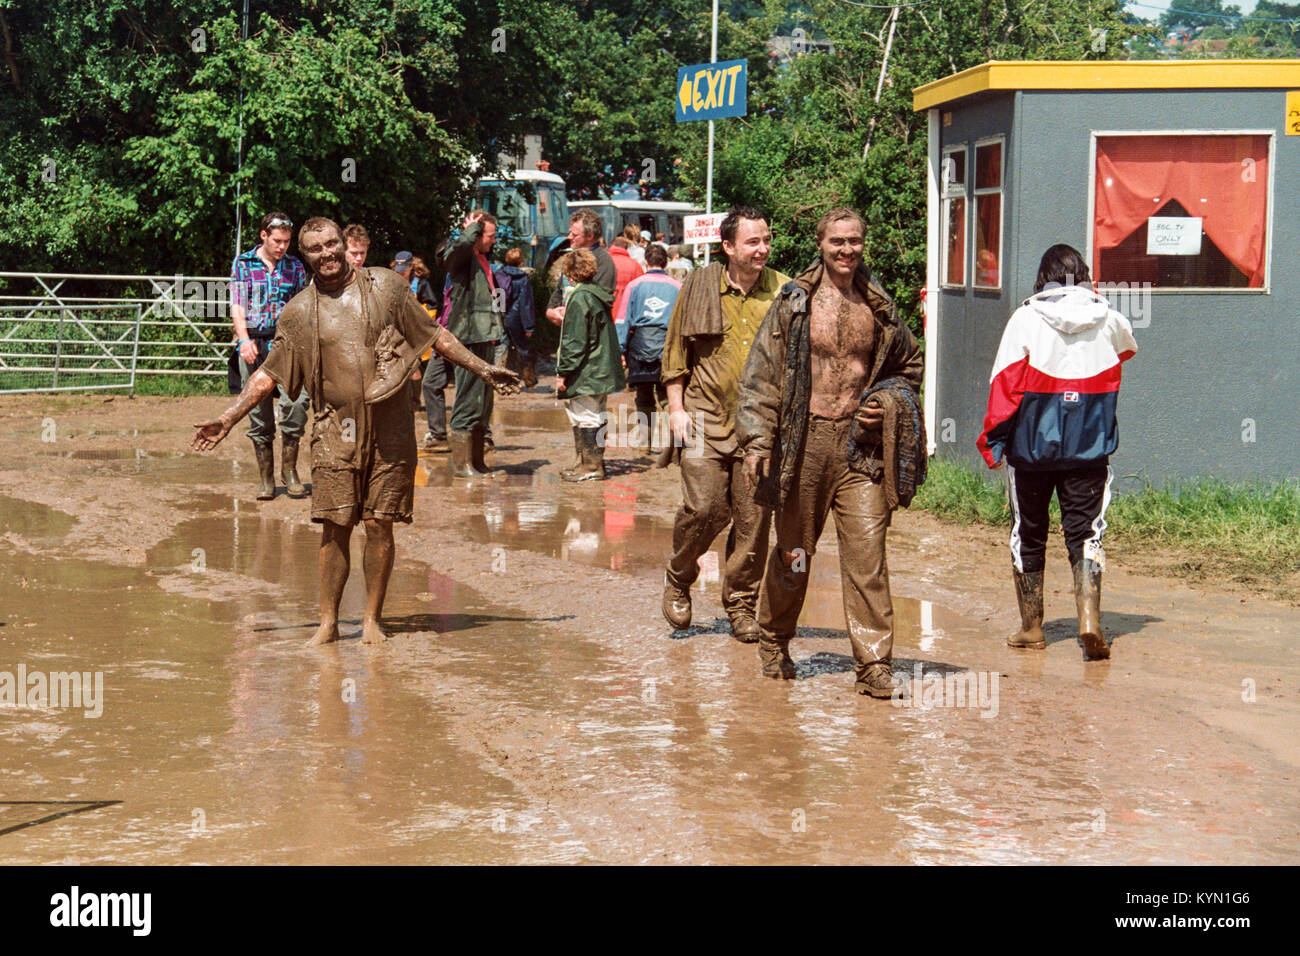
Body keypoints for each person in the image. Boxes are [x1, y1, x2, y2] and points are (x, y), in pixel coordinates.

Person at [192, 218, 520, 646]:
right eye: (314, 249)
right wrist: (229, 416)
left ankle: (370, 620)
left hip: (391, 428)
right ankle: (328, 621)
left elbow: (434, 335)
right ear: (304, 256)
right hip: (333, 431)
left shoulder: (385, 287)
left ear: (343, 245)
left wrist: (484, 368)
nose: (326, 254)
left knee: (381, 523)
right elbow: (269, 374)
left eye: (331, 244)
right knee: (335, 526)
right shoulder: (299, 312)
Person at [736, 207, 922, 696]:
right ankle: (775, 639)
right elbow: (760, 374)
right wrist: (758, 439)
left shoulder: (878, 305)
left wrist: (884, 403)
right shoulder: (794, 302)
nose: (846, 250)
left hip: (859, 452)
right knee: (796, 554)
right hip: (803, 445)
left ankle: (874, 665)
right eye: (837, 241)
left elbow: (910, 366)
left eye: (854, 241)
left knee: (867, 556)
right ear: (820, 243)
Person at [977, 243, 1137, 662]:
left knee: (1027, 532)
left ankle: (1032, 628)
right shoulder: (1109, 317)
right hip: (1089, 449)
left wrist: (992, 440)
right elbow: (1127, 350)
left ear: (1041, 277)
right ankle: (1089, 620)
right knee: (1085, 532)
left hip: (1030, 449)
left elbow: (1004, 387)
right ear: (1083, 274)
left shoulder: (1025, 318)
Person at [659, 206, 790, 643]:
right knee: (706, 508)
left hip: (763, 427)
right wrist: (675, 410)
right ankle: (679, 577)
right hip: (703, 416)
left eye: (767, 240)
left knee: (754, 522)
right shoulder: (698, 287)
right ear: (728, 247)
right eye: (753, 242)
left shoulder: (784, 292)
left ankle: (740, 604)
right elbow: (676, 351)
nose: (763, 249)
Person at [229, 211, 311, 501]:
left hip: (288, 347)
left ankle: (289, 472)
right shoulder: (243, 263)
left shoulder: (296, 267)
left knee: (296, 404)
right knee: (258, 411)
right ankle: (265, 478)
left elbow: (303, 308)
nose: (282, 247)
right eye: (277, 241)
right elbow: (238, 304)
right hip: (255, 343)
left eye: (287, 241)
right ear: (263, 236)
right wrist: (244, 340)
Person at [441, 211, 506, 477]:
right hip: (469, 338)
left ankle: (477, 462)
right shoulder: (461, 258)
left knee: (483, 403)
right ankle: (461, 466)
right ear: (476, 236)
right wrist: (469, 231)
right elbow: (454, 253)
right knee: (467, 400)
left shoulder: (484, 260)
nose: (493, 241)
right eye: (489, 236)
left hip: (486, 337)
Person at [555, 249, 625, 482]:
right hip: (600, 368)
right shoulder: (596, 294)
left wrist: (562, 372)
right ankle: (584, 463)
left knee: (586, 416)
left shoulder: (580, 297)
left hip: (588, 369)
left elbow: (575, 341)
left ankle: (591, 467)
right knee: (592, 415)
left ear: (568, 272)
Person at [616, 242, 680, 456]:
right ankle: (676, 449)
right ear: (667, 262)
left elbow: (623, 319)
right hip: (668, 348)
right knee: (669, 398)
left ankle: (644, 444)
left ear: (645, 262)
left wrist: (620, 349)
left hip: (639, 347)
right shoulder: (677, 287)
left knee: (643, 397)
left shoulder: (635, 286)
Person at [545, 209, 615, 327]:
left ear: (590, 236)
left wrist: (566, 313)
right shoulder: (571, 258)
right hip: (567, 333)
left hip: (590, 337)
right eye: (570, 232)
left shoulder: (604, 261)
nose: (569, 237)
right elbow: (559, 291)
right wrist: (551, 311)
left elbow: (598, 301)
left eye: (575, 234)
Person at [493, 247, 538, 389]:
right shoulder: (523, 279)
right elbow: (526, 304)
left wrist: (495, 317)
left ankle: (497, 380)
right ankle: (529, 382)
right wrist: (529, 326)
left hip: (501, 316)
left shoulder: (498, 274)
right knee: (523, 349)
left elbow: (496, 298)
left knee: (501, 347)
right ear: (520, 262)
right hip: (517, 318)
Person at [608, 236, 645, 326]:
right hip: (625, 316)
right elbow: (641, 292)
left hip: (605, 314)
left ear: (611, 245)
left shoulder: (602, 262)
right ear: (626, 248)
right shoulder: (635, 265)